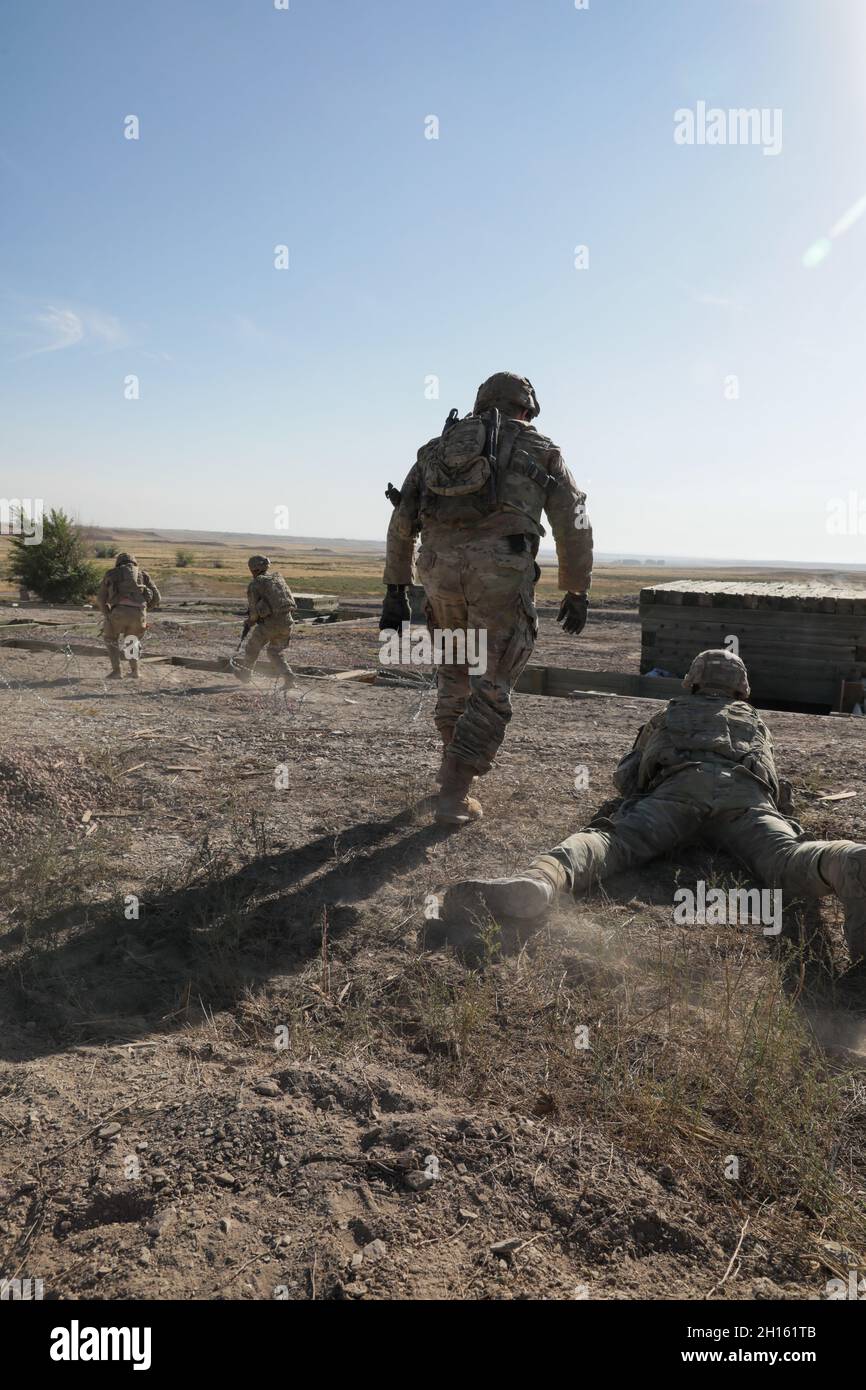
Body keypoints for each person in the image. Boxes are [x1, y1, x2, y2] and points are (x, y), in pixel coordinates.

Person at [441, 649, 866, 966]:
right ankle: (843, 861)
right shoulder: (754, 722)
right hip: (746, 799)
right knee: (787, 861)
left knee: (610, 842)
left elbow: (630, 779)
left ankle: (542, 880)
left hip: (677, 793)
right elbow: (773, 786)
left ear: (693, 683)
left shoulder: (669, 715)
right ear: (742, 689)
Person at [382, 371, 593, 826]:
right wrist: (576, 588)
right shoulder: (541, 450)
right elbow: (574, 521)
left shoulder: (436, 450)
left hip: (436, 572)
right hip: (498, 573)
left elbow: (402, 521)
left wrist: (394, 590)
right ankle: (454, 794)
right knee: (492, 681)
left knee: (453, 672)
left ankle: (450, 774)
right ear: (527, 407)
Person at [232, 555, 297, 686]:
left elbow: (254, 613)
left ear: (253, 569)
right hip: (288, 622)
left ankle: (245, 675)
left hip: (270, 624)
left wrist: (249, 622)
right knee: (274, 651)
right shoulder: (278, 579)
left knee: (252, 648)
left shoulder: (256, 584)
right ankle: (288, 677)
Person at [96, 552, 161, 680]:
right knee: (131, 640)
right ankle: (135, 671)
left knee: (110, 638)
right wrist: (145, 610)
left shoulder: (111, 574)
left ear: (118, 562)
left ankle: (117, 671)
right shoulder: (143, 575)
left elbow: (100, 599)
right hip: (139, 614)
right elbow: (157, 597)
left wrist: (107, 615)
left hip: (118, 613)